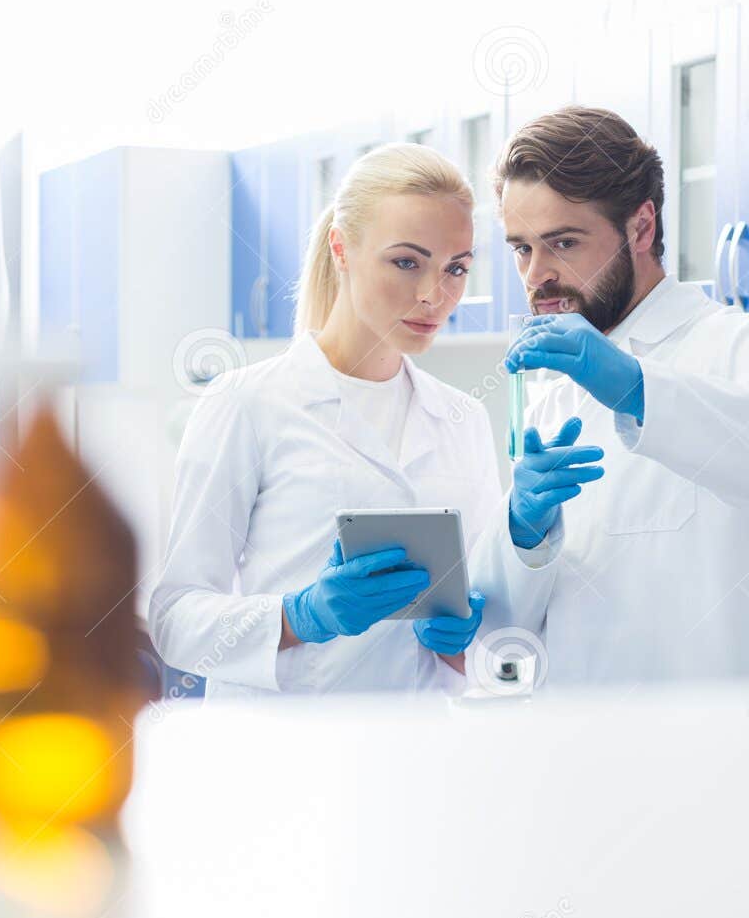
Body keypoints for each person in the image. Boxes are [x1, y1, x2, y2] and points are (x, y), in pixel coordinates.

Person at [468, 106, 749, 687]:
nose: (537, 275)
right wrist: (523, 535)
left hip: (723, 752)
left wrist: (641, 392)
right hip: (576, 751)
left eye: (563, 242)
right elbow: (505, 631)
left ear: (640, 227)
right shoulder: (552, 397)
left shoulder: (743, 347)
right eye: (521, 248)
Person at [150, 144, 503, 697]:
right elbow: (174, 620)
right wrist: (301, 616)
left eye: (455, 268)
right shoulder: (248, 404)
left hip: (426, 753)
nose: (435, 295)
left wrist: (468, 643)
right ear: (342, 247)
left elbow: (487, 629)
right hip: (290, 756)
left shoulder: (465, 419)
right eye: (407, 262)